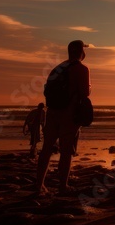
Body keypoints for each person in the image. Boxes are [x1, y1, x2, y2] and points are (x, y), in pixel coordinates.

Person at [36, 40, 90, 195]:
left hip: (53, 112)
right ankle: (62, 186)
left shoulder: (58, 68)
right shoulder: (81, 69)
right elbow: (85, 93)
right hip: (69, 113)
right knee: (66, 151)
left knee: (46, 149)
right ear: (81, 52)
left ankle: (39, 185)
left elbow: (46, 91)